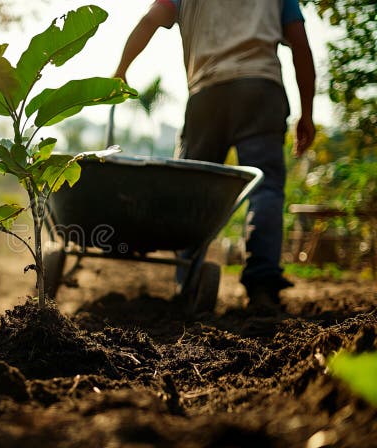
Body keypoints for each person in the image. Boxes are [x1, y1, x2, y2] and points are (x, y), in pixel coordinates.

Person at [114, 0, 316, 313]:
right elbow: (299, 42)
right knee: (265, 188)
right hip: (259, 91)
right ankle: (262, 287)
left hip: (207, 94)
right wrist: (307, 112)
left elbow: (150, 20)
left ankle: (189, 282)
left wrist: (121, 69)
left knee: (191, 191)